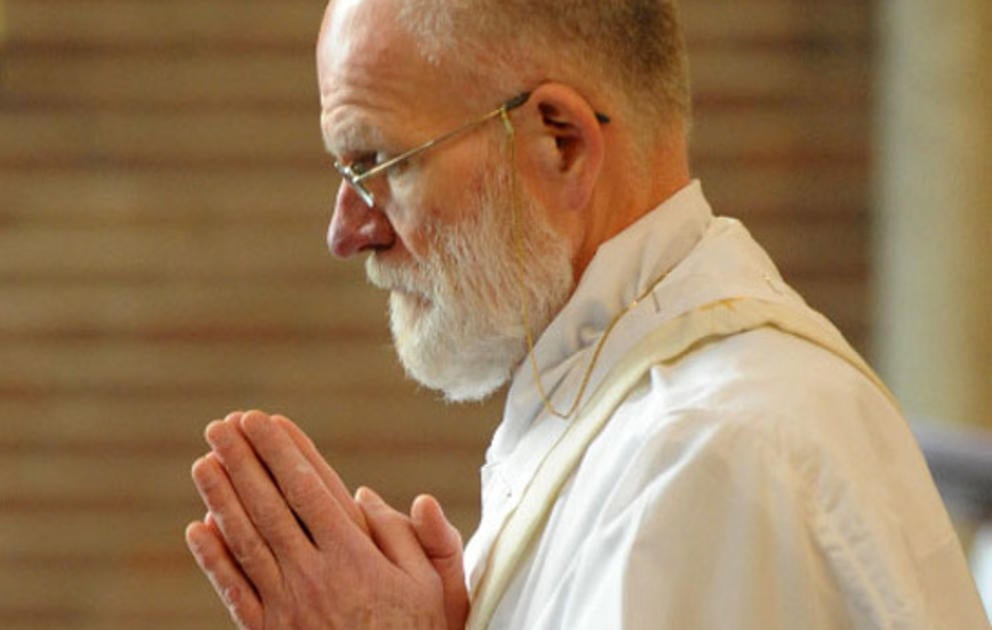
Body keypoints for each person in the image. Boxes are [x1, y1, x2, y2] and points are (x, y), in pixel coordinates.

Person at [185, 0, 990, 628]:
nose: (347, 230)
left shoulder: (711, 455)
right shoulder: (628, 405)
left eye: (380, 165)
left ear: (558, 141)